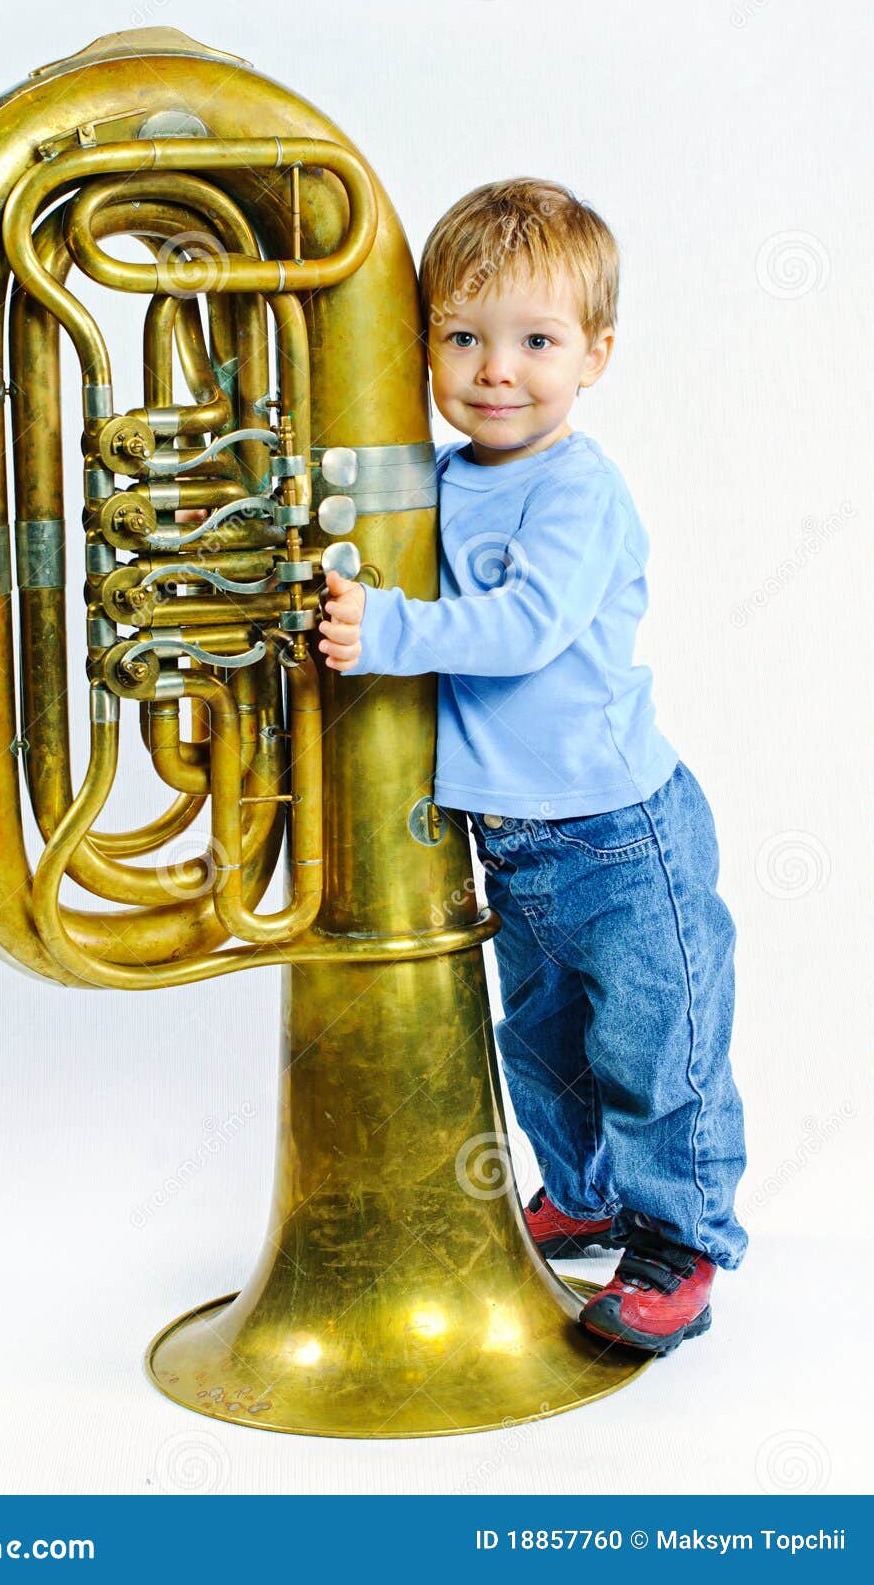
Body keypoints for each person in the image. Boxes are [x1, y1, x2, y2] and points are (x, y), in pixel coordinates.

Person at [317, 178, 747, 1354]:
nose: (494, 369)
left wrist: (390, 629)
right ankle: (588, 1193)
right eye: (462, 337)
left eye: (535, 341)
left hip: (618, 833)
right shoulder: (443, 479)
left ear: (595, 354)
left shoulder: (576, 490)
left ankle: (682, 1238)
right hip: (509, 839)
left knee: (654, 1043)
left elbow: (522, 628)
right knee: (544, 1043)